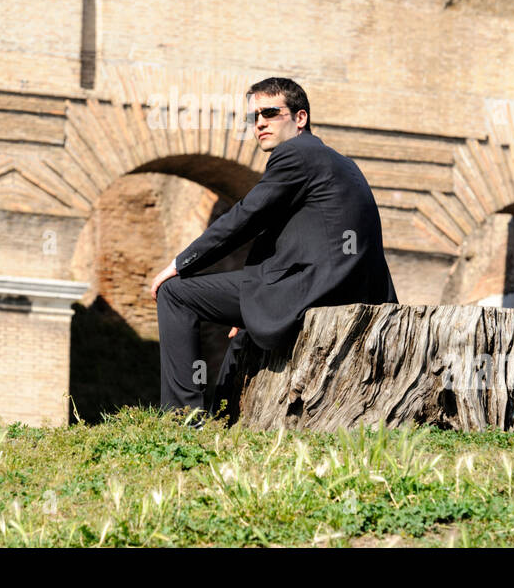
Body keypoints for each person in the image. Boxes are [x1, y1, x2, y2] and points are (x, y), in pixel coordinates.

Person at [149, 77, 398, 419]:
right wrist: (252, 302)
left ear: (300, 118)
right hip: (345, 289)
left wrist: (181, 263)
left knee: (175, 293)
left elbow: (245, 217)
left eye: (270, 112)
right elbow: (282, 237)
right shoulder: (337, 162)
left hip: (316, 289)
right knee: (242, 333)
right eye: (253, 117)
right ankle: (224, 418)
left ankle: (182, 419)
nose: (260, 123)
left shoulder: (297, 155)